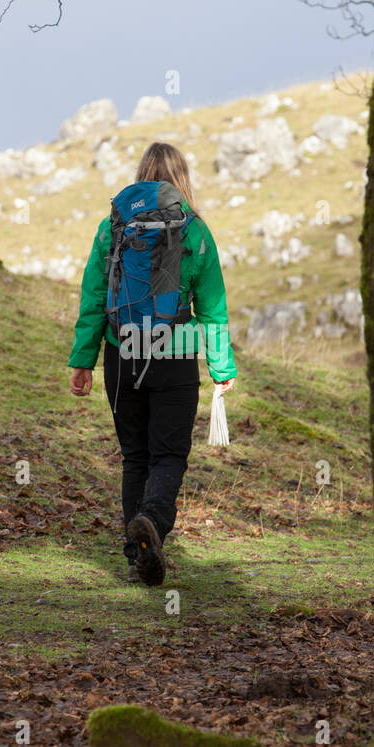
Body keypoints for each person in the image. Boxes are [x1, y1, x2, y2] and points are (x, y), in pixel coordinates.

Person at [67, 142, 237, 586]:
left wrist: (83, 361)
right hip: (175, 351)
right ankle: (153, 525)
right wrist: (221, 366)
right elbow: (212, 306)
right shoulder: (195, 230)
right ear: (181, 179)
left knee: (135, 457)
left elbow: (92, 299)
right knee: (168, 455)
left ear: (142, 174)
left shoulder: (114, 228)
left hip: (122, 353)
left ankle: (135, 555)